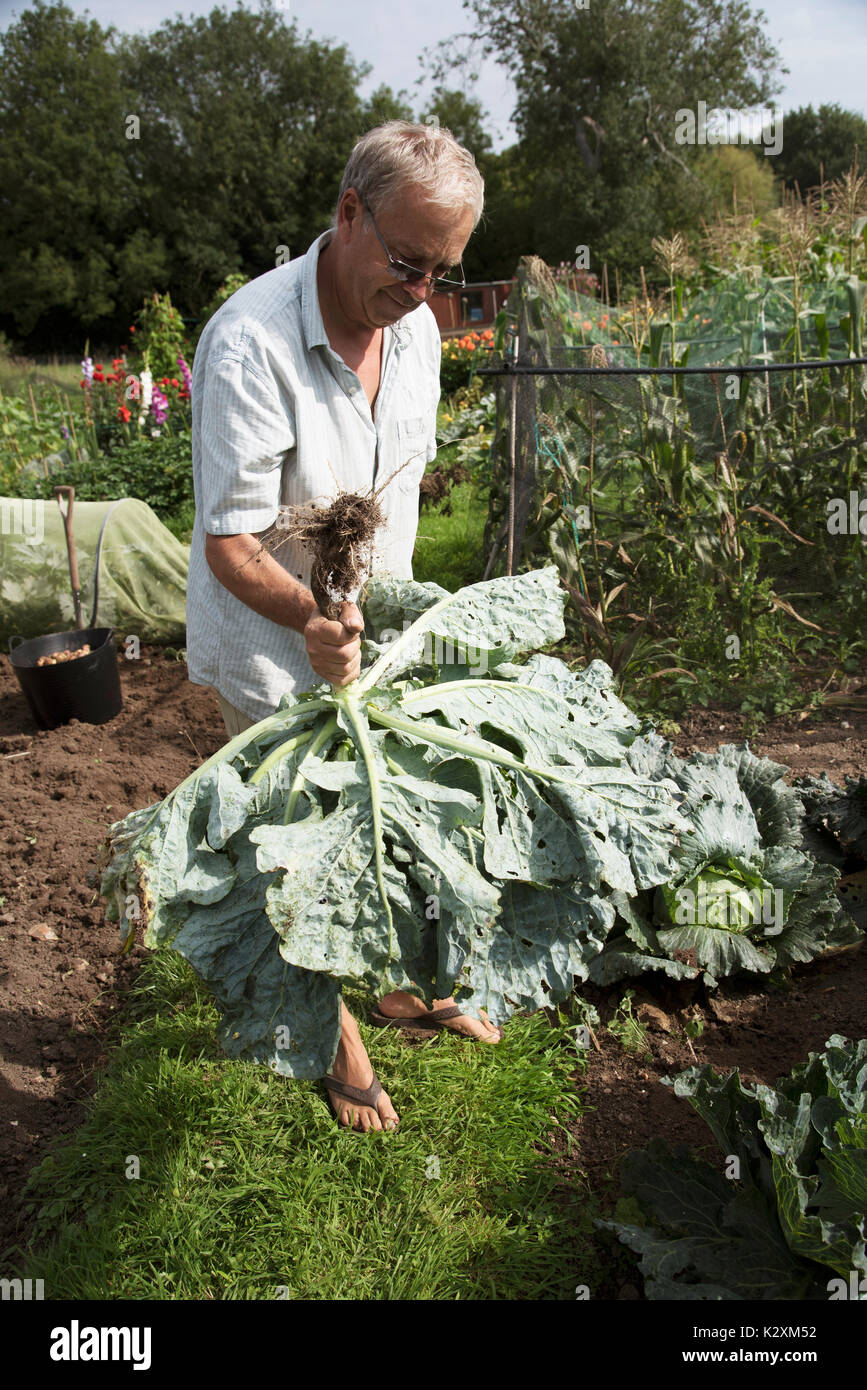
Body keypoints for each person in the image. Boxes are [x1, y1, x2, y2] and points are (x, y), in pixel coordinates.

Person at [186, 121, 499, 1134]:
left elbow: (396, 488)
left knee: (382, 817)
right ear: (348, 213)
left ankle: (401, 984)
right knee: (297, 844)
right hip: (271, 641)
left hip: (370, 634)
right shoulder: (252, 342)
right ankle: (336, 1037)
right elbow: (231, 541)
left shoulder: (415, 326)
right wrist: (311, 614)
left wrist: (380, 609)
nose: (423, 291)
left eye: (445, 271)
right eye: (409, 263)